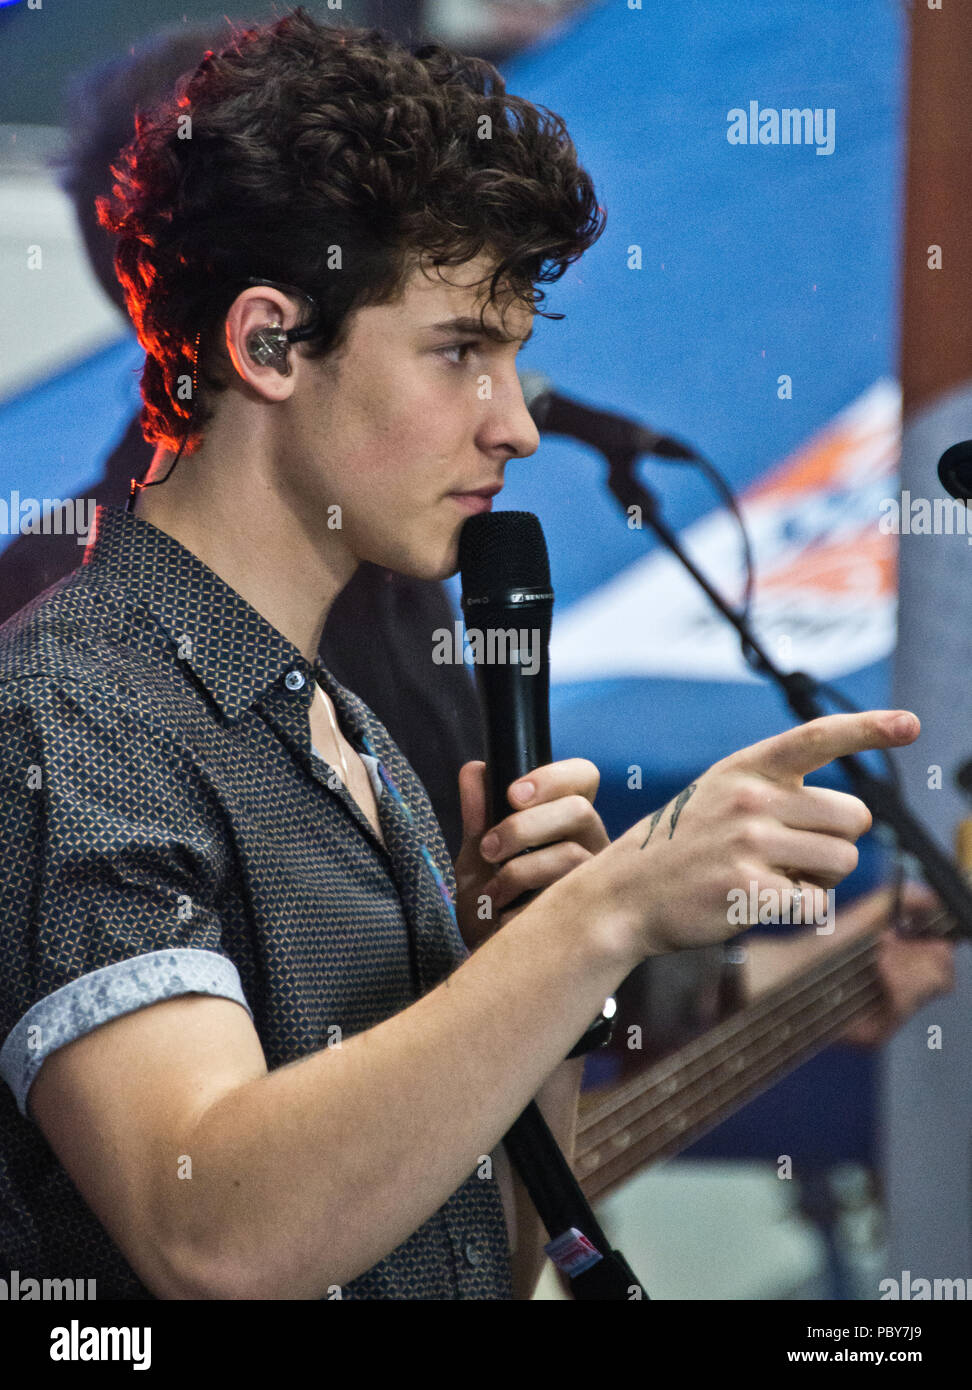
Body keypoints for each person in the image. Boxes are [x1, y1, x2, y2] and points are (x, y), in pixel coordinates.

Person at [0, 10, 953, 1301]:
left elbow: (481, 1266)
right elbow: (209, 1232)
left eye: (514, 355)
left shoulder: (358, 738)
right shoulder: (69, 707)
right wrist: (593, 921)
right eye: (462, 351)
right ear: (268, 343)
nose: (516, 422)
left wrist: (537, 972)